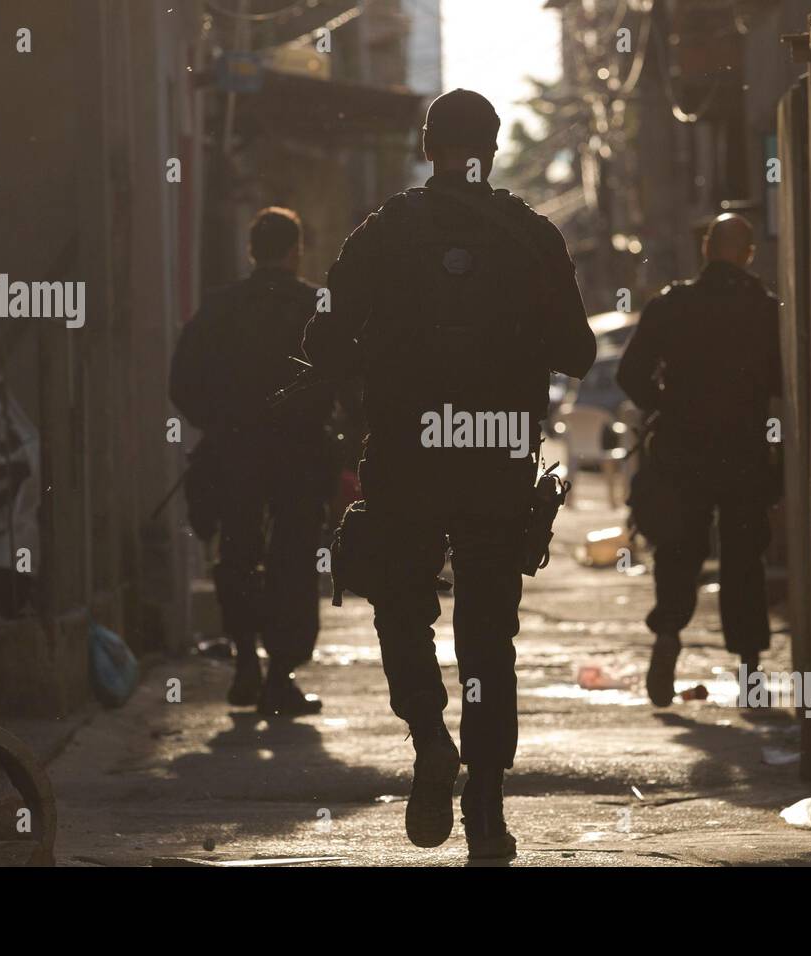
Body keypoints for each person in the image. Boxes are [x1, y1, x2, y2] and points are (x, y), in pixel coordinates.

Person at [303, 90, 595, 859]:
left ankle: (431, 738)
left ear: (427, 148)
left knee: (401, 606)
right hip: (496, 456)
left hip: (406, 451)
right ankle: (489, 804)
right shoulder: (531, 236)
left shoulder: (387, 231)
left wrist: (360, 368)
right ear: (491, 149)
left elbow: (324, 333)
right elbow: (580, 353)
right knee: (489, 630)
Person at [170, 207, 335, 717]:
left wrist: (221, 426)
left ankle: (245, 662)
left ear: (251, 251)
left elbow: (183, 385)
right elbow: (344, 379)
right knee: (293, 560)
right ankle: (279, 675)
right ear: (295, 250)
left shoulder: (220, 308)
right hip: (298, 456)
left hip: (235, 455)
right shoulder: (315, 307)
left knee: (237, 554)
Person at [617, 212, 781, 707]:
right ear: (749, 254)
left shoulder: (672, 305)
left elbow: (630, 375)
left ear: (706, 248)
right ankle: (751, 674)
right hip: (744, 452)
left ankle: (667, 635)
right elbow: (783, 382)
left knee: (677, 550)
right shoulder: (766, 310)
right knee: (743, 559)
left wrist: (666, 406)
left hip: (682, 449)